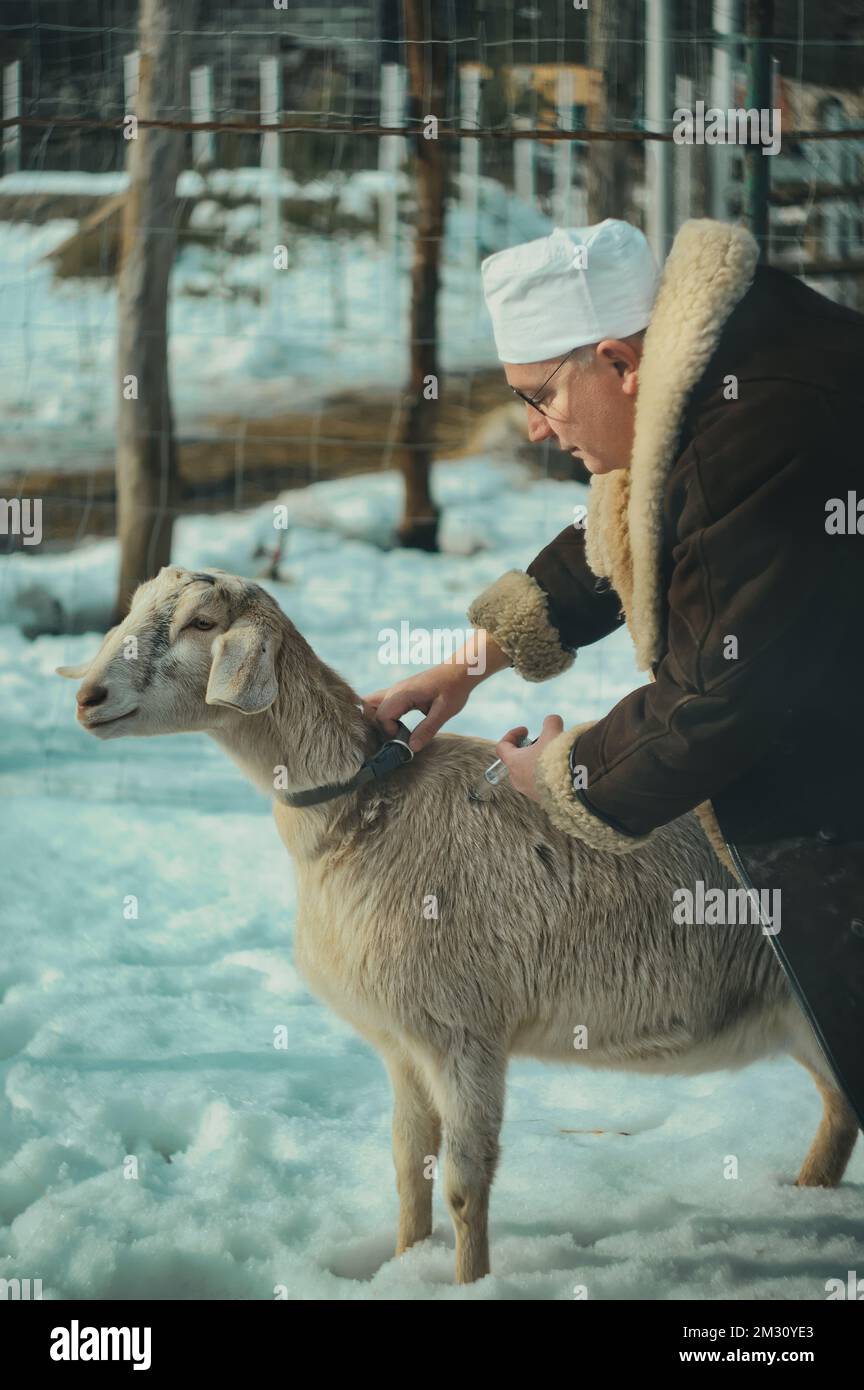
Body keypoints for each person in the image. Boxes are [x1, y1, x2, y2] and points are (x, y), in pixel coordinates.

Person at [365, 217, 864, 1131]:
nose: (534, 428)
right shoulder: (717, 361)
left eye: (541, 396)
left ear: (618, 362)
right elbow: (630, 531)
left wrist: (560, 779)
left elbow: (716, 699)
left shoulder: (757, 429)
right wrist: (473, 662)